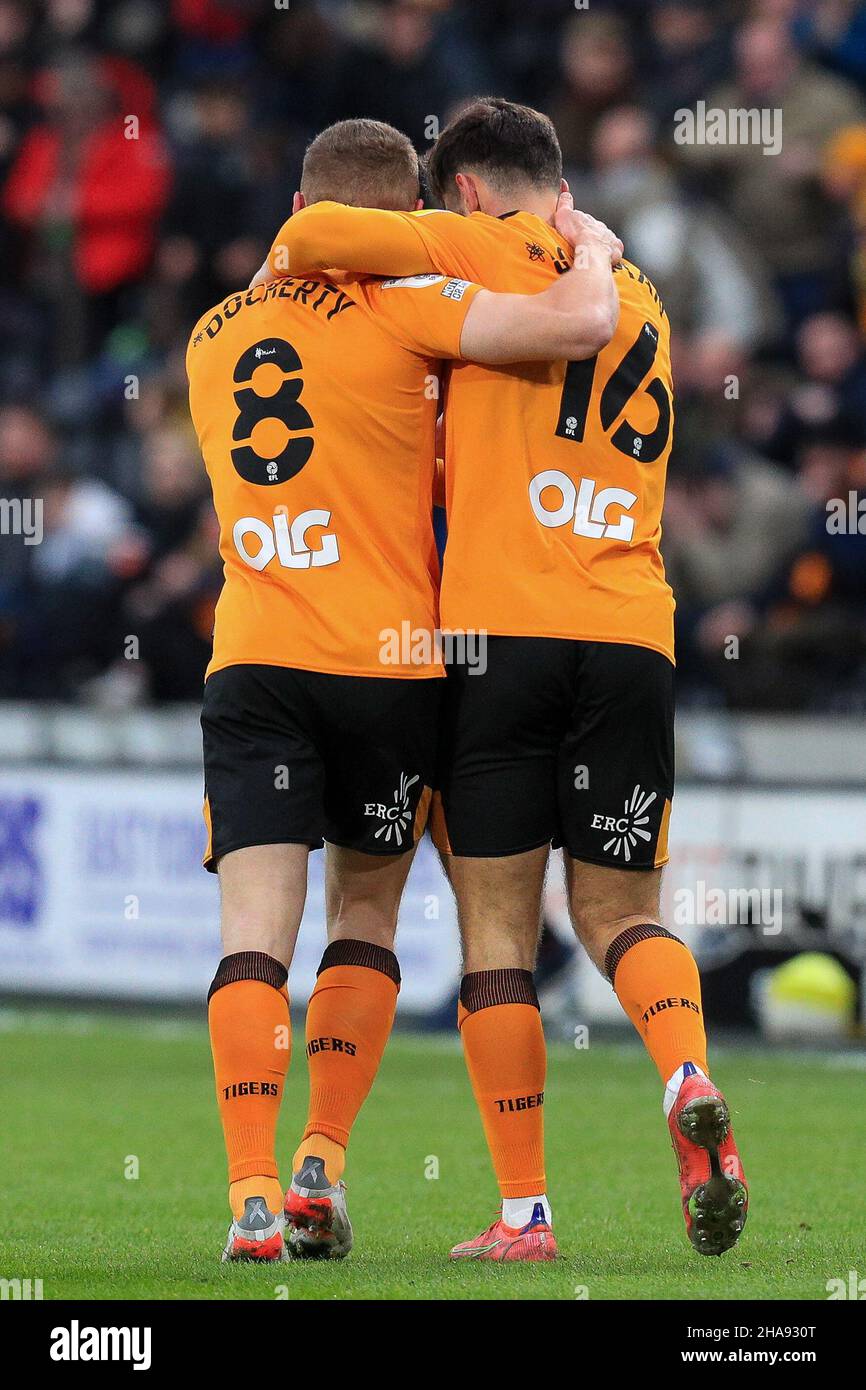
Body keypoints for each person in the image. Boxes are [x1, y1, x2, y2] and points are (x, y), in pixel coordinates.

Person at [255, 96, 749, 1261]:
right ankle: (684, 1070)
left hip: (497, 641)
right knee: (625, 910)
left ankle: (524, 1212)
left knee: (496, 939)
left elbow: (315, 243)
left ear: (466, 192)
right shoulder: (637, 297)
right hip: (632, 630)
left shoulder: (468, 265)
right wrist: (593, 242)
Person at [189, 116, 621, 1263]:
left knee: (250, 942)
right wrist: (587, 248)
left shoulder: (204, 335)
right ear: (399, 223)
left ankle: (245, 1194)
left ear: (299, 198)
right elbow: (561, 342)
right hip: (388, 666)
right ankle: (317, 1167)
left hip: (254, 654)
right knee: (366, 922)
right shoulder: (406, 310)